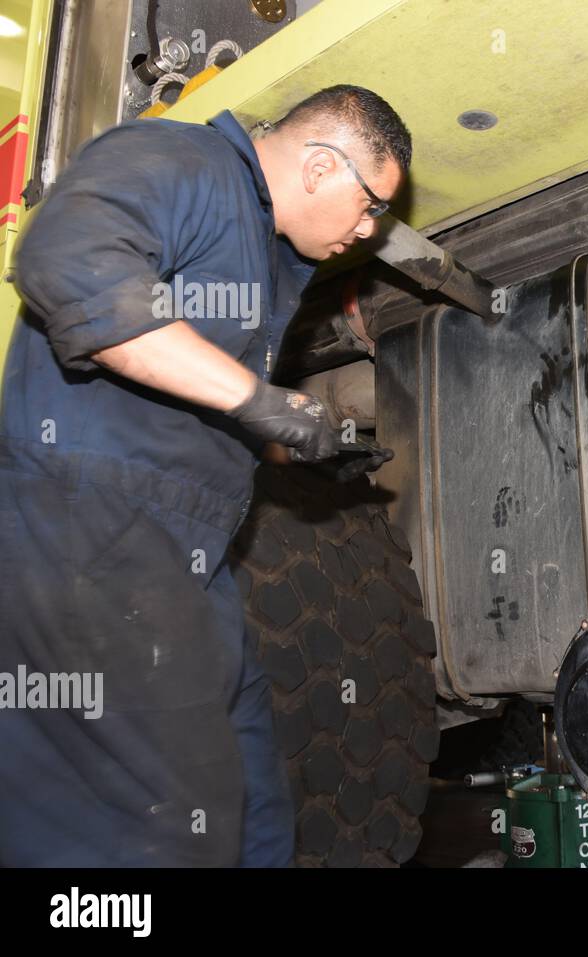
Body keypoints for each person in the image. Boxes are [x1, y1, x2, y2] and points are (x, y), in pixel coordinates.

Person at [0, 84, 410, 865]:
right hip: (85, 529)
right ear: (320, 167)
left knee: (252, 813)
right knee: (150, 826)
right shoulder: (179, 157)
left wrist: (295, 442)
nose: (368, 231)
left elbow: (194, 404)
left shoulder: (267, 251)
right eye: (370, 207)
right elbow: (67, 263)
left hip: (186, 557)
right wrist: (261, 400)